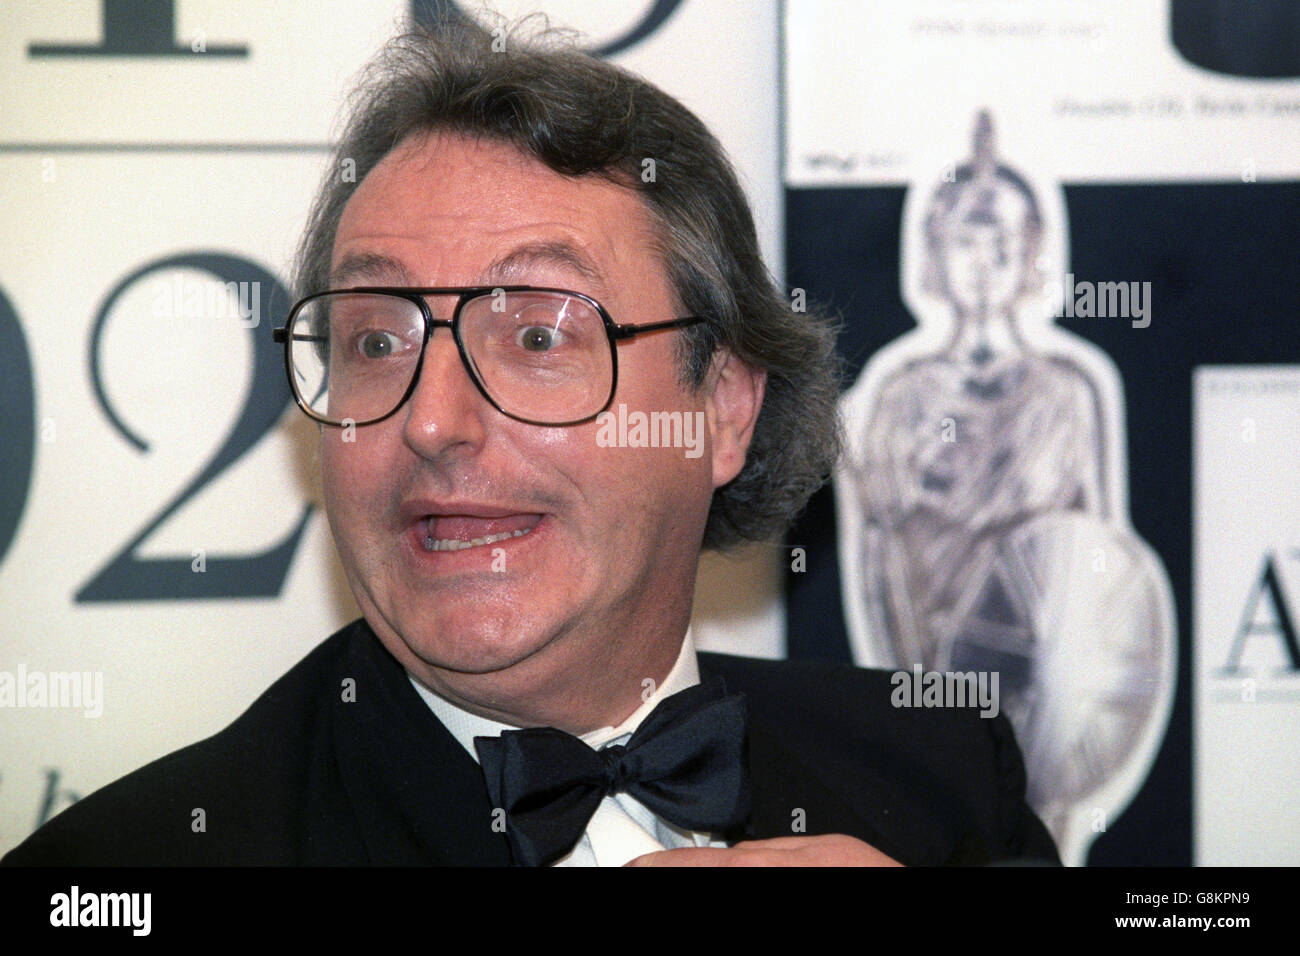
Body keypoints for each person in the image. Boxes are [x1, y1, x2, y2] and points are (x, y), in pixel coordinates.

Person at [3, 18, 1058, 867]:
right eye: (376, 338)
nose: (431, 419)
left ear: (723, 410)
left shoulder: (940, 777)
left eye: (539, 333)